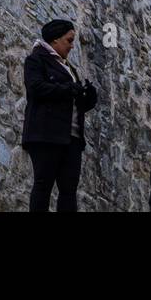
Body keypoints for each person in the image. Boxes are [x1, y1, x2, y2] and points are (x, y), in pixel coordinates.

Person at [22, 18, 98, 211]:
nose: (72, 46)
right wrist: (68, 89)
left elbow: (73, 102)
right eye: (69, 40)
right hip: (46, 134)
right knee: (43, 185)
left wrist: (88, 98)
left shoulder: (69, 68)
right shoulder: (36, 60)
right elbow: (36, 88)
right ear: (55, 40)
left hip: (71, 137)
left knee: (69, 190)